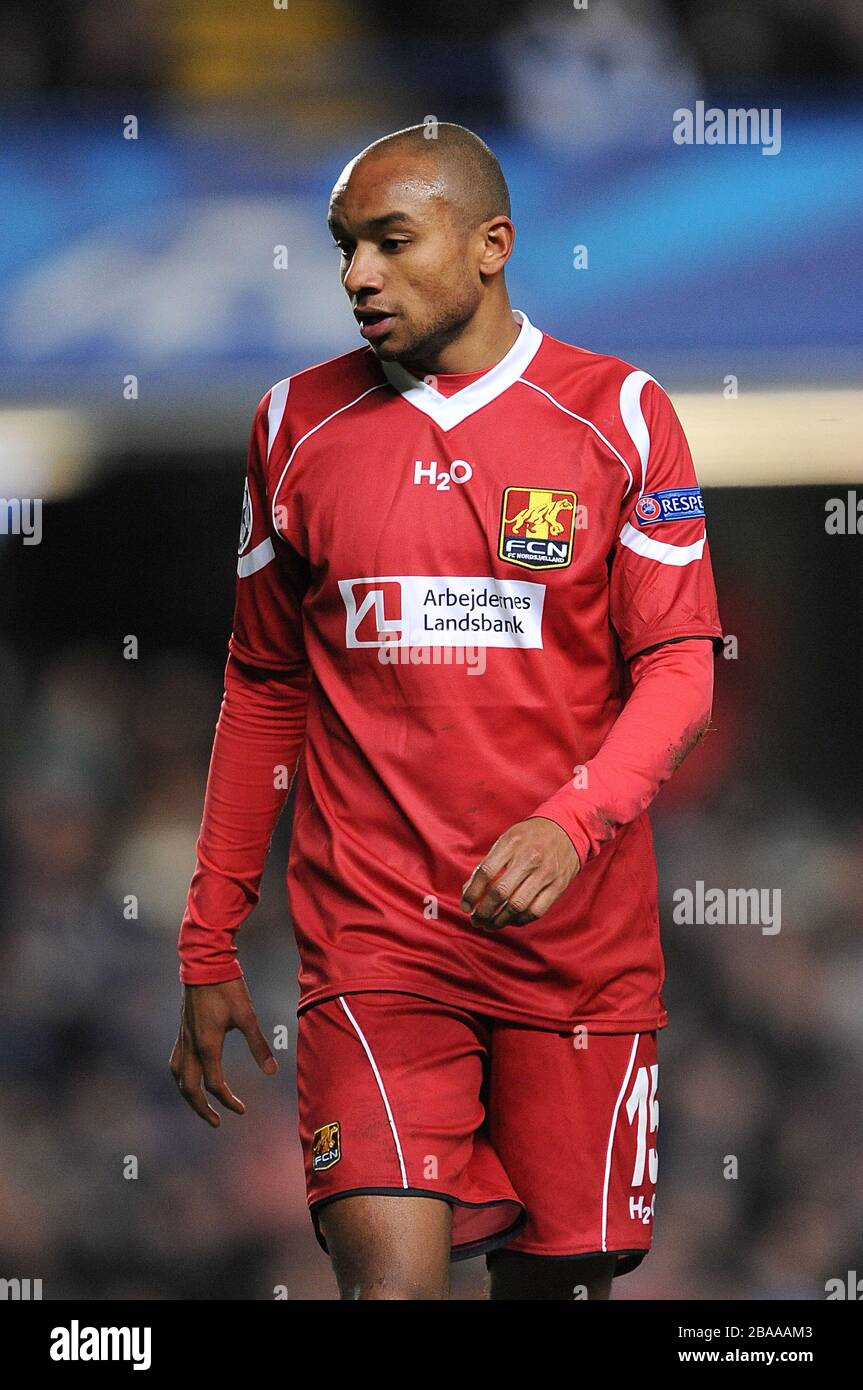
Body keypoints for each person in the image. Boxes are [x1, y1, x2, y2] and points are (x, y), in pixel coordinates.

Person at [171, 122, 722, 1301]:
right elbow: (264, 684)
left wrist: (571, 821)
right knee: (394, 1293)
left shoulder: (619, 414)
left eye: (388, 241)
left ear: (489, 246)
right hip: (374, 942)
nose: (354, 275)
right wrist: (209, 933)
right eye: (341, 247)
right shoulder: (290, 426)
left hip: (573, 955)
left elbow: (678, 663)